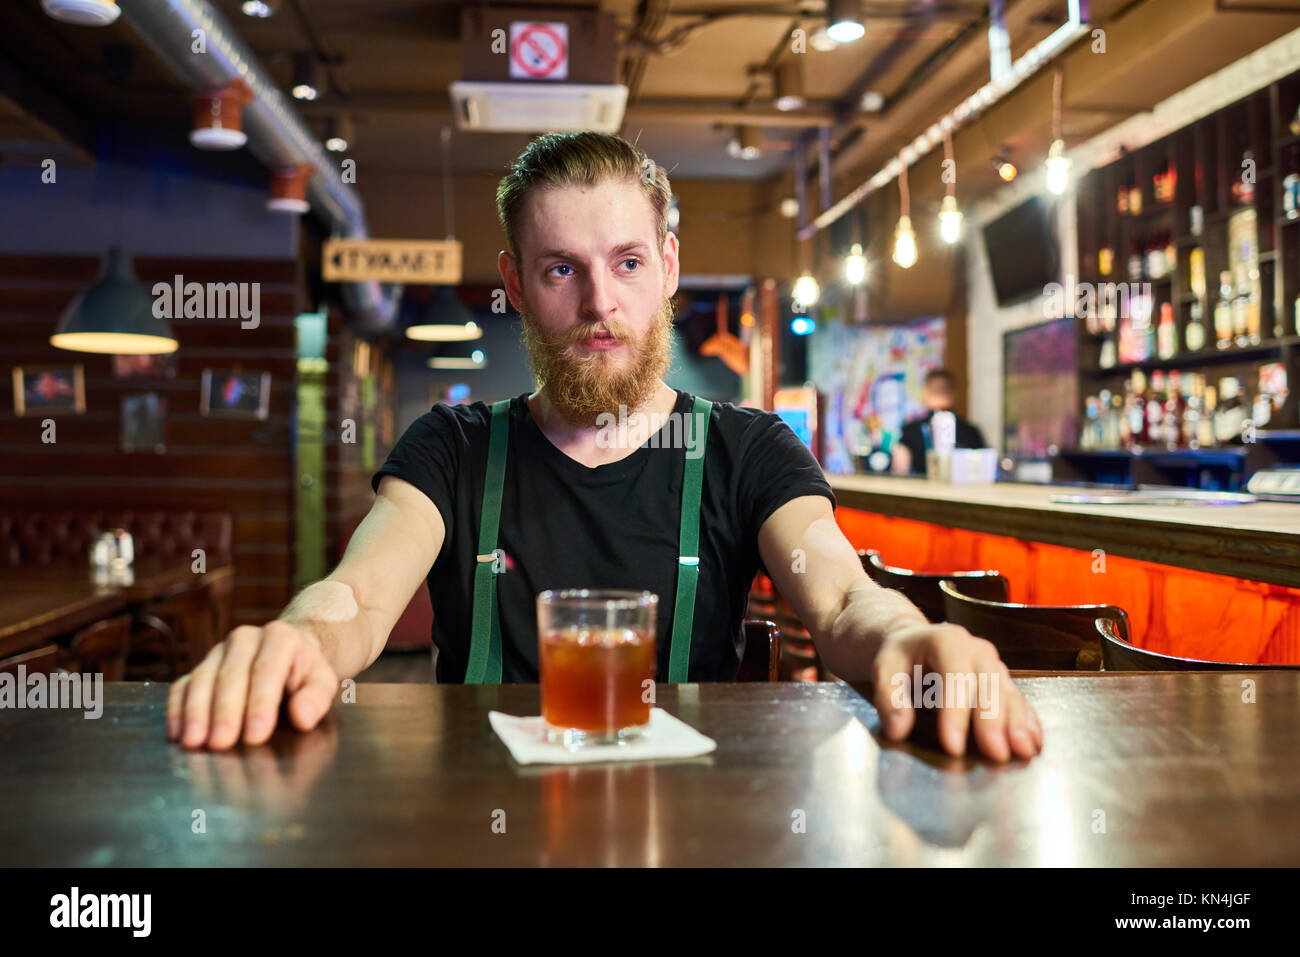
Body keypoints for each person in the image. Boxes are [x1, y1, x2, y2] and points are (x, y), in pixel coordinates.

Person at [167, 131, 1041, 762]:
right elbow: (355, 599)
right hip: (475, 831)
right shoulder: (453, 449)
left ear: (666, 267)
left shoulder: (750, 450)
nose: (598, 304)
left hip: (690, 828)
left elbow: (846, 597)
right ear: (515, 283)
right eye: (560, 269)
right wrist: (295, 641)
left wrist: (904, 637)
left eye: (625, 263)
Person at [891, 369, 988, 476]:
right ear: (953, 394)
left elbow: (900, 470)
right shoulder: (970, 431)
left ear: (926, 393)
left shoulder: (910, 430)